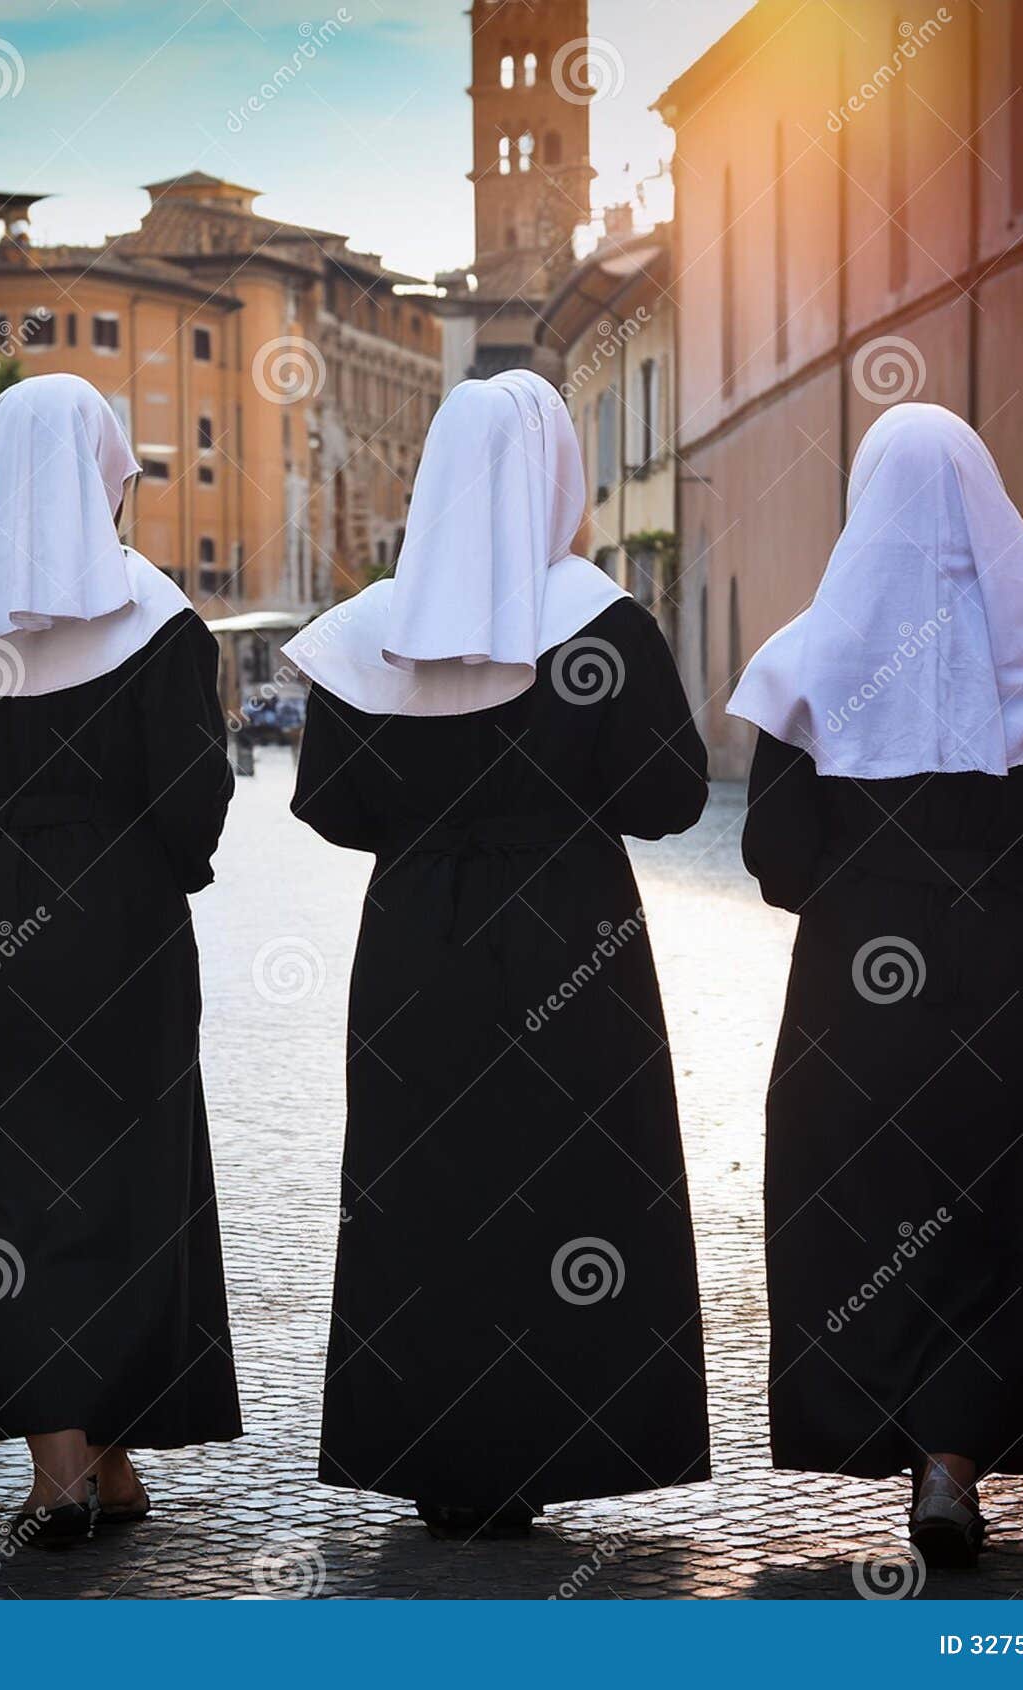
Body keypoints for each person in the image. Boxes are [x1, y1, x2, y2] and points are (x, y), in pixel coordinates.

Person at [283, 369, 712, 1540]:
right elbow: (671, 792)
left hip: (416, 938)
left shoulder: (375, 629)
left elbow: (329, 801)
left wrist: (437, 817)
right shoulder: (601, 621)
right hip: (573, 934)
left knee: (424, 1186)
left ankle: (437, 1452)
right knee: (571, 1183)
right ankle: (552, 1440)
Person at [728, 402, 1023, 1569]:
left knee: (858, 1205)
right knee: (998, 1209)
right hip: (1005, 976)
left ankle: (880, 1418)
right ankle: (952, 1459)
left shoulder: (808, 657)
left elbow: (775, 859)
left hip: (856, 989)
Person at [0, 374, 241, 1543]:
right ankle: (108, 1460)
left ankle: (67, 1469)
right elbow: (193, 805)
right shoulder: (155, 616)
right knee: (126, 1181)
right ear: (101, 478)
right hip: (121, 929)